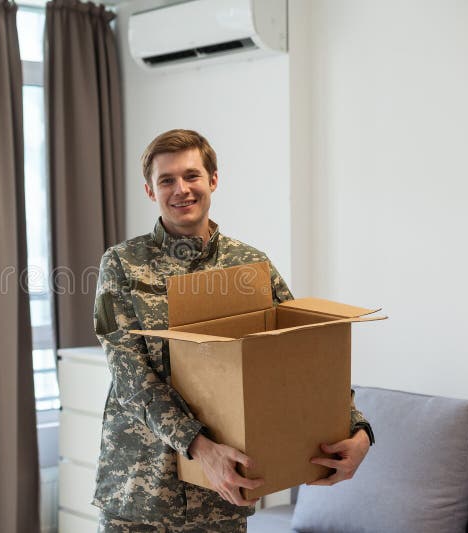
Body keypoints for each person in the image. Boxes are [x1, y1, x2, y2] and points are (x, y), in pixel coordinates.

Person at [92, 129, 374, 532]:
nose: (181, 189)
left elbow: (302, 353)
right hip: (141, 495)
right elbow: (132, 379)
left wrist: (358, 429)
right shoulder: (122, 264)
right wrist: (200, 448)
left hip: (222, 499)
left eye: (191, 175)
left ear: (213, 180)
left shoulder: (249, 265)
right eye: (166, 180)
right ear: (150, 191)